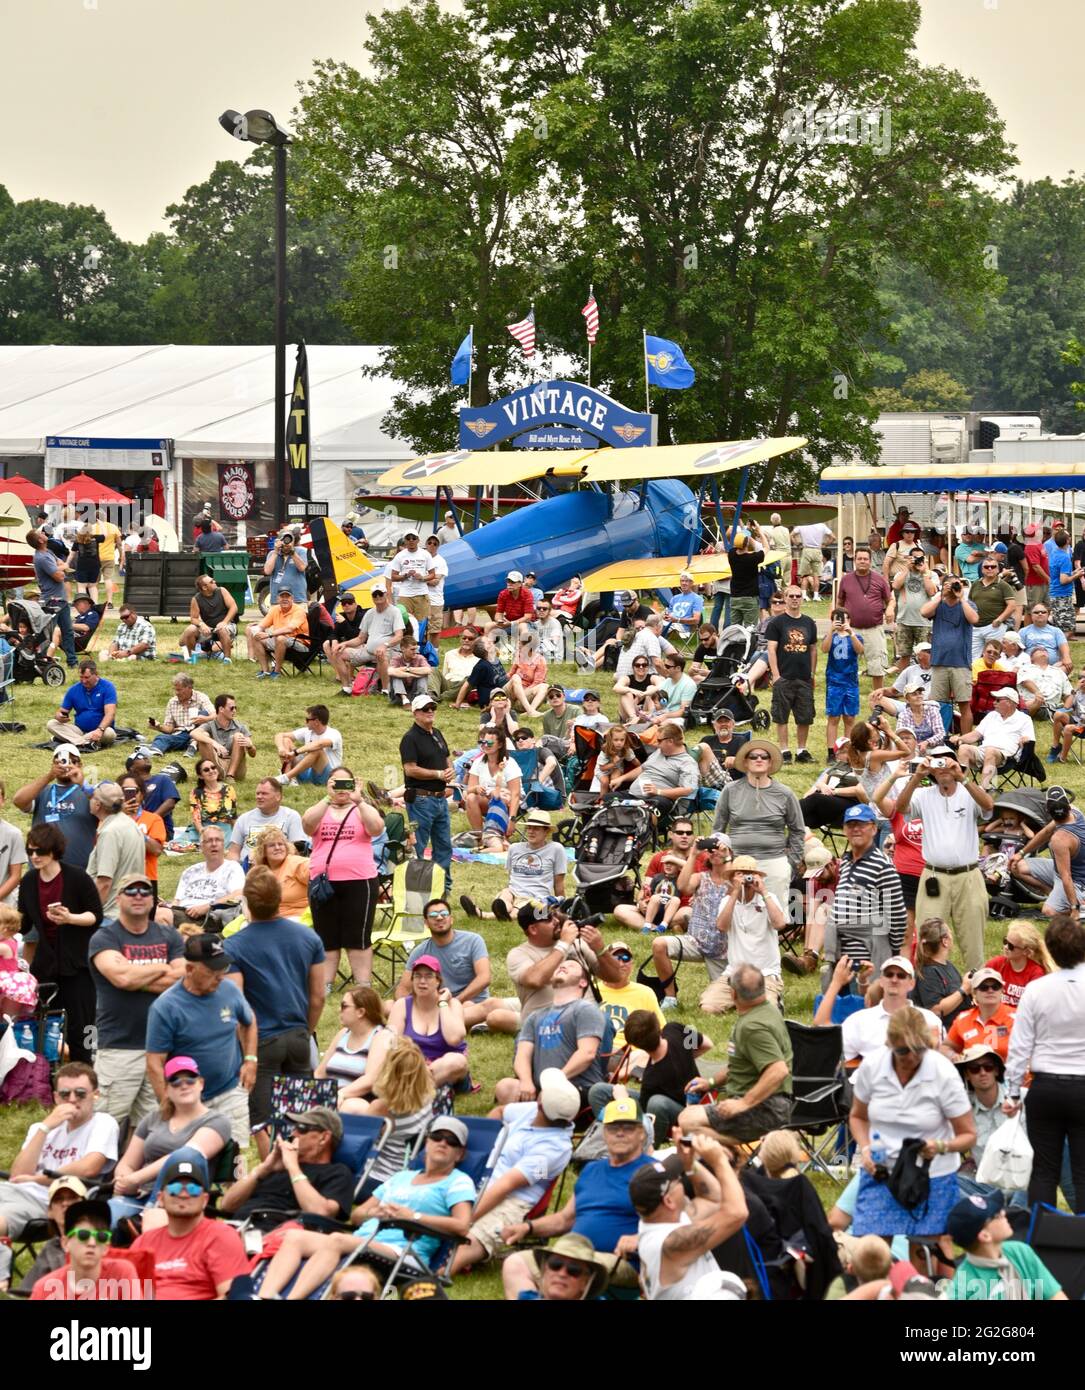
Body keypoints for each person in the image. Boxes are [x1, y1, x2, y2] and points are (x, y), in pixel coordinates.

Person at [254, 1116, 476, 1300]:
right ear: (427, 1142)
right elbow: (358, 1215)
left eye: (452, 1141)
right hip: (365, 1240)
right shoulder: (401, 1177)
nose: (443, 1143)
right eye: (437, 1137)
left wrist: (413, 1216)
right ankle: (263, 1297)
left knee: (337, 1240)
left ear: (460, 1154)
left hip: (404, 1251)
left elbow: (461, 1226)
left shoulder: (457, 1181)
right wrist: (376, 1212)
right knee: (294, 1236)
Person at [501, 1094, 654, 1297]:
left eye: (628, 1128)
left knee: (576, 1267)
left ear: (642, 1134)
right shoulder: (591, 1170)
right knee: (516, 1263)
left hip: (622, 1262)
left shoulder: (652, 1174)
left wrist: (638, 1238)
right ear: (604, 1133)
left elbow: (674, 1226)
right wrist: (527, 1227)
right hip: (573, 1255)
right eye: (613, 1128)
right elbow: (565, 1219)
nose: (620, 1133)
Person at [848, 1006, 975, 1239]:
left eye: (919, 1049)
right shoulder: (873, 1066)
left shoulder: (942, 1071)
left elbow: (968, 1135)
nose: (912, 1056)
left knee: (925, 1249)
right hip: (881, 1169)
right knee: (871, 1248)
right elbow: (857, 1116)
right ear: (890, 1044)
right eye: (903, 1050)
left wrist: (940, 1146)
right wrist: (865, 1148)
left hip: (931, 1174)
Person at [224, 866, 325, 1149]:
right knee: (299, 1120)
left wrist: (247, 1054)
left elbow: (237, 1006)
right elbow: (318, 996)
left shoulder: (233, 946)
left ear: (246, 901)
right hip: (298, 1038)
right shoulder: (308, 938)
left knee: (263, 1124)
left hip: (261, 1043)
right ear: (279, 897)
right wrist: (306, 1029)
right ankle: (298, 1174)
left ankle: (273, 1179)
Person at [450, 1069, 578, 1273]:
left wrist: (467, 1218)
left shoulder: (555, 1149)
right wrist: (485, 1147)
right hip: (477, 1179)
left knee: (467, 1243)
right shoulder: (533, 1111)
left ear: (542, 1104)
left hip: (511, 1200)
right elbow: (500, 1112)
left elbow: (506, 1186)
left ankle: (424, 1276)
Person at [88, 870, 185, 1123]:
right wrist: (162, 968)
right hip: (119, 1046)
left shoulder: (169, 936)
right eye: (131, 890)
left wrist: (136, 976)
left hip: (164, 1047)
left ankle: (132, 1165)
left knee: (154, 1128)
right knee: (105, 1125)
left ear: (153, 900)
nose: (138, 895)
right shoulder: (105, 937)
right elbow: (121, 978)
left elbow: (182, 979)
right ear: (118, 899)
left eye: (145, 891)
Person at [1002, 914, 1085, 1211]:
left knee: (1043, 1171)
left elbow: (1020, 1045)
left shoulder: (1038, 989)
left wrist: (1012, 1093)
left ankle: (1041, 1239)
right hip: (1081, 1086)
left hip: (1046, 1086)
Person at [145, 933, 258, 1150]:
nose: (219, 977)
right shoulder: (166, 1007)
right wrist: (169, 1103)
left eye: (222, 969)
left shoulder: (229, 990)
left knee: (235, 1164)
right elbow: (154, 1062)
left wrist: (251, 1059)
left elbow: (249, 1021)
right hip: (190, 1100)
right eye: (211, 971)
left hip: (230, 1092)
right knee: (193, 1166)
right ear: (189, 969)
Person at [893, 751, 994, 971]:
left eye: (946, 762)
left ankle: (976, 991)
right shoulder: (923, 794)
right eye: (936, 763)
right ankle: (929, 988)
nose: (942, 768)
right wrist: (917, 777)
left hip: (968, 875)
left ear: (956, 764)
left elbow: (988, 806)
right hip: (934, 875)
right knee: (928, 938)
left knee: (973, 940)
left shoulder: (969, 792)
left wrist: (963, 778)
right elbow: (900, 808)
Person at [0, 1062, 119, 1239]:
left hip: (55, 1202)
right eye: (65, 1094)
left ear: (95, 1095)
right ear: (56, 1097)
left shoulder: (103, 1123)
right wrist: (45, 1127)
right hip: (13, 1191)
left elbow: (89, 1167)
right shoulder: (42, 1128)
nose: (72, 1099)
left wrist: (37, 1179)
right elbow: (18, 1174)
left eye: (80, 1093)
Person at [109, 1056, 231, 1227]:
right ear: (166, 1089)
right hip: (137, 1195)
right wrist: (124, 1181)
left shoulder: (217, 1121)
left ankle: (151, 1212)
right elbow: (127, 1162)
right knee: (106, 1217)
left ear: (201, 1083)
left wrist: (135, 1179)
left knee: (186, 1155)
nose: (183, 1085)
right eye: (175, 1081)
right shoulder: (153, 1118)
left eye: (190, 1079)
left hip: (183, 1196)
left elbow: (184, 1155)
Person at [680, 963, 794, 1140]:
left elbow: (778, 1070)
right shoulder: (767, 1011)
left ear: (732, 994)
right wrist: (710, 1082)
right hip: (767, 1103)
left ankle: (736, 1156)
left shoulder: (753, 1027)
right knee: (691, 1115)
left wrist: (743, 1103)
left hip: (766, 1109)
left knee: (687, 1120)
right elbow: (738, 1064)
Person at [20, 823, 101, 1064]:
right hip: (46, 964)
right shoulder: (29, 880)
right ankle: (44, 1077)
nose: (34, 856)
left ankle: (84, 1076)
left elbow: (95, 917)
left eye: (40, 851)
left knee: (81, 1027)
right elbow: (23, 923)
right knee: (42, 1023)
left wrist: (70, 918)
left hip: (77, 964)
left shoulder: (77, 877)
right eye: (30, 851)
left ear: (54, 851)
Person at [631, 1136, 748, 1300]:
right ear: (669, 1201)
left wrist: (689, 1164)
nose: (682, 1183)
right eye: (678, 1181)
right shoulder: (670, 1243)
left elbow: (713, 1199)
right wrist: (719, 1161)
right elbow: (737, 1213)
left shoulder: (663, 1221)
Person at [302, 766, 383, 988]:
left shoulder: (360, 809)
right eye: (336, 783)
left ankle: (362, 983)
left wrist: (360, 801)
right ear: (328, 784)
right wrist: (327, 799)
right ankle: (326, 983)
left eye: (346, 784)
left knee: (358, 935)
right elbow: (308, 825)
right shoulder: (320, 808)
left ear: (354, 784)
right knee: (326, 935)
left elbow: (377, 829)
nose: (341, 789)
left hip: (360, 880)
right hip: (323, 882)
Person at [129, 1153, 249, 1300]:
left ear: (205, 1200)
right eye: (175, 1188)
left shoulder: (221, 1236)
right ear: (160, 1198)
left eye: (193, 1189)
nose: (184, 1195)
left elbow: (235, 1296)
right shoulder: (143, 1242)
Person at [495, 956, 605, 1108]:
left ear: (583, 982)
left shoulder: (585, 1009)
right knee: (505, 1087)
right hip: (540, 1089)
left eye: (571, 966)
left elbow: (587, 1053)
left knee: (552, 1096)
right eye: (561, 965)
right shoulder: (536, 1016)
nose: (563, 966)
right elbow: (522, 1055)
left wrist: (556, 1081)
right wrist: (526, 1081)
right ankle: (521, 1126)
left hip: (576, 1087)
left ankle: (532, 1121)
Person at [711, 737, 804, 907]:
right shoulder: (730, 790)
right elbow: (718, 829)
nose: (759, 759)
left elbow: (797, 830)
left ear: (770, 763)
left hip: (774, 860)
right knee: (738, 913)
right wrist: (724, 861)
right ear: (745, 762)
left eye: (764, 756)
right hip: (738, 860)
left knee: (774, 913)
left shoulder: (785, 793)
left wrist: (791, 863)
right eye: (753, 756)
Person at [649, 834, 733, 1010]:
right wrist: (694, 854)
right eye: (712, 849)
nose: (715, 852)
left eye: (720, 848)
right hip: (694, 941)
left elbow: (736, 884)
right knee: (659, 944)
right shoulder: (701, 877)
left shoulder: (734, 880)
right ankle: (670, 998)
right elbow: (682, 887)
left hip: (723, 950)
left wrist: (727, 857)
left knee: (724, 1002)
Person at [506, 900, 621, 1020]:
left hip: (587, 1018)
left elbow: (615, 977)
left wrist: (600, 950)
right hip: (547, 1026)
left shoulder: (577, 944)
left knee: (606, 1022)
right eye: (549, 919)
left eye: (554, 915)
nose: (556, 921)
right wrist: (564, 944)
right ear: (533, 929)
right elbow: (535, 979)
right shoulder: (519, 954)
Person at [702, 855, 787, 1014]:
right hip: (734, 973)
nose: (746, 879)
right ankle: (741, 999)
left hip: (765, 973)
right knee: (708, 1007)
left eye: (750, 874)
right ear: (733, 878)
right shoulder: (727, 901)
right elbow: (721, 926)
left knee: (765, 1012)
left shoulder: (768, 898)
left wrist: (763, 892)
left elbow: (780, 924)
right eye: (740, 874)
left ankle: (763, 999)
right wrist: (735, 892)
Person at [945, 1191, 1066, 1301]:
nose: (1003, 1212)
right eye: (997, 1215)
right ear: (985, 1236)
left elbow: (1056, 1296)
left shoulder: (1021, 1252)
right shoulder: (964, 1286)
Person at [29, 1197, 142, 1301]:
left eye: (101, 1237)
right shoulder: (44, 1289)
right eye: (83, 1235)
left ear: (106, 1246)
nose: (92, 1243)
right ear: (65, 1243)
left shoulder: (122, 1272)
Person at [399, 693, 454, 889]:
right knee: (418, 845)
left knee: (444, 846)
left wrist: (450, 770)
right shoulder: (410, 738)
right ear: (415, 713)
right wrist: (439, 774)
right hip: (421, 800)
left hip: (439, 799)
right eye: (425, 709)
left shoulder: (437, 733)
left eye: (433, 708)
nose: (430, 711)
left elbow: (446, 757)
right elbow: (410, 769)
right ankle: (418, 890)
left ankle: (442, 889)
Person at [387, 953, 468, 1087]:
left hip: (446, 1070)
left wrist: (443, 1003)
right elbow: (391, 1044)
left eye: (428, 976)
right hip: (412, 1067)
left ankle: (416, 1088)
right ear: (412, 980)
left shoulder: (453, 1005)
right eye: (417, 976)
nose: (422, 981)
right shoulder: (402, 1005)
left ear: (438, 981)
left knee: (457, 1061)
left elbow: (454, 1039)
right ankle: (421, 1087)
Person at [1010, 783, 1085, 916]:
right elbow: (1045, 832)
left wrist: (1074, 908)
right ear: (1068, 805)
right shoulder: (1075, 811)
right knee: (1017, 866)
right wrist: (1021, 853)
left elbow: (1066, 876)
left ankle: (1081, 907)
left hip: (1076, 881)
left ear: (1047, 811)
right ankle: (1052, 892)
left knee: (1048, 911)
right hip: (1059, 870)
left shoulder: (1060, 840)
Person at [765, 584, 818, 761]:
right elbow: (771, 650)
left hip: (803, 677)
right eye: (791, 596)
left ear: (802, 599)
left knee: (805, 716)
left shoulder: (809, 622)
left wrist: (812, 673)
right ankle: (784, 752)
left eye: (798, 596)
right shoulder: (776, 623)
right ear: (785, 598)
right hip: (784, 677)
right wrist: (776, 675)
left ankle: (802, 751)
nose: (795, 599)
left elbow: (813, 650)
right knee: (781, 716)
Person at [157, 825, 245, 929]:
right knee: (151, 911)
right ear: (202, 847)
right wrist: (167, 905)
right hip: (183, 912)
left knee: (161, 915)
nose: (214, 844)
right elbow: (178, 901)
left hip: (210, 917)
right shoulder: (191, 871)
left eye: (218, 840)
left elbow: (238, 894)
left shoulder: (232, 867)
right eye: (208, 841)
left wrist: (207, 907)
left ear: (223, 844)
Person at [922, 575, 978, 735]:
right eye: (948, 584)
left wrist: (961, 598)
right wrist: (941, 595)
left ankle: (965, 740)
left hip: (961, 663)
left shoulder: (968, 604)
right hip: (940, 662)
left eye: (955, 584)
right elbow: (924, 612)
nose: (952, 588)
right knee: (937, 704)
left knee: (964, 704)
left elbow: (974, 619)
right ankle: (939, 736)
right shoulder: (938, 604)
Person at [952, 686, 1034, 790]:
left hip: (1007, 757)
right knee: (963, 748)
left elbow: (1029, 739)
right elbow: (975, 735)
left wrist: (1025, 739)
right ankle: (961, 788)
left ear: (1009, 702)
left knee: (990, 751)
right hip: (983, 751)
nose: (994, 703)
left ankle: (983, 789)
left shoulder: (1024, 719)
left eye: (998, 700)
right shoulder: (991, 716)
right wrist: (960, 739)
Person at [315, 985, 390, 1098]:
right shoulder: (343, 1033)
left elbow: (371, 1079)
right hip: (331, 1097)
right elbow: (320, 1073)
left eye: (344, 1006)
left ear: (361, 1012)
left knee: (350, 1106)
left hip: (360, 1102)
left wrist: (340, 1094)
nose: (339, 1009)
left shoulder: (380, 1036)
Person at [330, 585, 404, 696]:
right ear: (372, 597)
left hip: (389, 651)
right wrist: (344, 644)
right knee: (338, 653)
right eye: (375, 594)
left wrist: (385, 645)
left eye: (380, 594)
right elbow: (361, 638)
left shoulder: (395, 612)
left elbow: (399, 636)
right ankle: (346, 688)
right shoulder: (369, 613)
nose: (378, 597)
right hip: (367, 651)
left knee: (381, 653)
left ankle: (385, 690)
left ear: (386, 594)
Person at [837, 545, 892, 692]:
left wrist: (890, 609)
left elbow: (890, 600)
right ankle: (847, 691)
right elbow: (840, 603)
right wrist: (838, 621)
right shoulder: (846, 580)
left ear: (870, 560)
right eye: (859, 558)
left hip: (874, 628)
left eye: (865, 559)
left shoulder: (880, 580)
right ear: (855, 560)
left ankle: (878, 695)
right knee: (846, 662)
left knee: (877, 664)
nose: (862, 561)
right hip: (851, 629)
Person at [626, 721, 699, 825]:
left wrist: (658, 791)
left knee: (650, 808)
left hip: (661, 799)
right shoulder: (659, 752)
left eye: (659, 741)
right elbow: (643, 768)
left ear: (670, 741)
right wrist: (621, 779)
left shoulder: (687, 763)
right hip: (635, 796)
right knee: (608, 799)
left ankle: (636, 834)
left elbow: (688, 790)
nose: (656, 744)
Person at [594, 940, 664, 1045]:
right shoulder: (592, 990)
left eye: (626, 959)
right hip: (597, 1049)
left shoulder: (645, 993)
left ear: (632, 964)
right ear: (605, 962)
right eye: (615, 958)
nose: (621, 963)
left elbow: (661, 1030)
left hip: (632, 1054)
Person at [463, 724, 521, 848]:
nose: (485, 745)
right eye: (482, 742)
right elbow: (469, 789)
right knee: (471, 797)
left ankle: (498, 837)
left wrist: (512, 819)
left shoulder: (509, 763)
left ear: (500, 745)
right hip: (487, 799)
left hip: (508, 802)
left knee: (500, 795)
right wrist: (477, 789)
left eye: (489, 743)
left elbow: (515, 795)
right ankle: (480, 836)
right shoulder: (478, 762)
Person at [26, 528, 76, 666]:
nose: (44, 534)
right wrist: (59, 568)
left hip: (61, 600)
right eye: (41, 534)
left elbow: (61, 564)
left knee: (68, 632)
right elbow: (60, 576)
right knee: (47, 634)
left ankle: (72, 661)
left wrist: (58, 567)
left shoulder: (48, 552)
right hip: (51, 602)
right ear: (40, 540)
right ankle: (40, 660)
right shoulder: (41, 558)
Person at [943, 966, 1015, 1062]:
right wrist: (954, 1056)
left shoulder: (1017, 1018)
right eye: (983, 987)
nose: (990, 990)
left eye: (995, 987)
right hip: (975, 1073)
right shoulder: (963, 1019)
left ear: (1002, 991)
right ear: (974, 993)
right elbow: (945, 1047)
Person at [228, 777, 306, 865]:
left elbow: (296, 851)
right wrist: (234, 869)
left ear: (278, 796)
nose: (259, 797)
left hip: (279, 868)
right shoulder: (244, 819)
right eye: (257, 793)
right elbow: (233, 852)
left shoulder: (291, 816)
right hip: (248, 868)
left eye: (264, 794)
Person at [46, 659, 117, 748]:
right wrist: (59, 716)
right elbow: (61, 712)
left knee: (110, 734)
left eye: (87, 677)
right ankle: (84, 743)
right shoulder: (73, 690)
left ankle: (69, 740)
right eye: (81, 677)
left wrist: (100, 730)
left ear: (96, 674)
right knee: (51, 724)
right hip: (79, 730)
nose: (83, 681)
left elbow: (110, 714)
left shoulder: (108, 687)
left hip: (102, 731)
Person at [984, 918, 1053, 1010]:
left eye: (1011, 946)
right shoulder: (995, 964)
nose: (1006, 947)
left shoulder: (1035, 973)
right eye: (1005, 941)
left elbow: (1033, 1009)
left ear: (1026, 951)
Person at [913, 918, 970, 1028]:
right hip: (943, 1034)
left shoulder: (948, 965)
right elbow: (936, 1010)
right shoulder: (928, 972)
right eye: (950, 934)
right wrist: (964, 990)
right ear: (945, 941)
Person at [190, 692, 256, 782]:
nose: (234, 711)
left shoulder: (240, 727)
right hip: (217, 766)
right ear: (221, 709)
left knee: (238, 736)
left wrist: (250, 746)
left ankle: (230, 775)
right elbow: (194, 733)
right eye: (231, 708)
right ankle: (215, 775)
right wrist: (215, 744)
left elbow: (253, 754)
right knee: (203, 737)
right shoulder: (210, 725)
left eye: (235, 708)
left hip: (237, 769)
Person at [821, 608, 863, 748]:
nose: (841, 622)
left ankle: (848, 748)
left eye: (845, 619)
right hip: (834, 682)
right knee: (833, 717)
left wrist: (851, 633)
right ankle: (831, 750)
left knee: (850, 717)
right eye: (837, 619)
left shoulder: (855, 636)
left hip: (851, 682)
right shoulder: (831, 636)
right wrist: (830, 631)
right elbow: (824, 649)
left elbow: (860, 650)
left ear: (849, 620)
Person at [273, 703, 343, 787]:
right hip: (309, 772)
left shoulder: (334, 734)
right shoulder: (307, 731)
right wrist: (281, 748)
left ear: (316, 721)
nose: (305, 722)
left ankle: (286, 777)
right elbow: (279, 735)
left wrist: (295, 752)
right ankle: (290, 781)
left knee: (317, 750)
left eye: (307, 719)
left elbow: (319, 744)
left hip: (328, 777)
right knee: (286, 740)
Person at [247, 587, 309, 679]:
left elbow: (290, 629)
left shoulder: (299, 611)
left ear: (292, 599)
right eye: (282, 596)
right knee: (256, 636)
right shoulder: (275, 609)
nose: (284, 599)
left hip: (300, 643)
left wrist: (269, 634)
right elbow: (262, 625)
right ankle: (265, 671)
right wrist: (255, 629)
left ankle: (277, 672)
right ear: (277, 599)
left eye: (287, 597)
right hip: (279, 640)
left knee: (280, 638)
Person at [249, 826, 310, 919]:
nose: (277, 848)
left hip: (297, 916)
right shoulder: (259, 871)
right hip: (267, 918)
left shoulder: (297, 863)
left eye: (280, 844)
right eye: (272, 845)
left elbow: (318, 883)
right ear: (263, 851)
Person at [968, 555, 1021, 659]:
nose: (990, 569)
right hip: (976, 627)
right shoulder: (975, 584)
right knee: (972, 658)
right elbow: (970, 604)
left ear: (998, 569)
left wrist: (999, 620)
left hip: (994, 627)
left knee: (994, 656)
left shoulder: (1003, 585)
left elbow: (1012, 605)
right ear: (982, 570)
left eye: (993, 566)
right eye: (986, 567)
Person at [149, 674, 214, 756]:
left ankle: (194, 743)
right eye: (175, 690)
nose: (176, 693)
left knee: (204, 713)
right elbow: (169, 729)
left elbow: (215, 715)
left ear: (189, 688)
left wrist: (205, 719)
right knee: (161, 737)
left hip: (199, 731)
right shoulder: (172, 702)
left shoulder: (201, 697)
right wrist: (158, 726)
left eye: (179, 690)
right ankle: (156, 750)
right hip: (182, 734)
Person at [390, 531, 437, 625]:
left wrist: (422, 578)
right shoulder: (400, 556)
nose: (411, 540)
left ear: (418, 540)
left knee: (422, 624)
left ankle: (421, 640)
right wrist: (405, 575)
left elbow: (433, 574)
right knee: (405, 623)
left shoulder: (425, 554)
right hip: (405, 595)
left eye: (414, 538)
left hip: (421, 594)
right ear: (405, 541)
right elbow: (393, 577)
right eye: (408, 538)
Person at [427, 625, 482, 702]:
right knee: (432, 670)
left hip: (466, 686)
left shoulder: (480, 658)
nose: (466, 640)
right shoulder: (449, 654)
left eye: (470, 639)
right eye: (464, 638)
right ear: (460, 639)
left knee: (470, 678)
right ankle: (433, 695)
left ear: (476, 641)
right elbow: (445, 674)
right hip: (449, 683)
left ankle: (440, 698)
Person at [504, 626, 549, 715]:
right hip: (510, 696)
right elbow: (510, 674)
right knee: (516, 677)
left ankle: (530, 710)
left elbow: (537, 683)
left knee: (545, 686)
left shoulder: (540, 661)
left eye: (520, 643)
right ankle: (531, 711)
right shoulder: (519, 656)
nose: (518, 645)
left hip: (523, 697)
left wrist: (521, 693)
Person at [189, 756, 237, 836]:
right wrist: (203, 833)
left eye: (213, 767)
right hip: (203, 829)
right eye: (206, 770)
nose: (211, 771)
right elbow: (196, 819)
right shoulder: (196, 793)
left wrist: (237, 834)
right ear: (200, 776)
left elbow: (233, 815)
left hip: (224, 829)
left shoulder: (229, 789)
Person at [1019, 601, 1071, 673]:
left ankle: (1048, 678)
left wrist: (1066, 658)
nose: (1040, 614)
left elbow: (1064, 646)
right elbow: (1019, 651)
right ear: (1031, 615)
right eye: (1036, 612)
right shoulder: (1023, 631)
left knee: (1066, 667)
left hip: (1053, 667)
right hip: (1030, 666)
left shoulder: (1056, 631)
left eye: (1043, 612)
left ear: (1048, 614)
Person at [485, 568, 536, 641]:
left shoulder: (527, 594)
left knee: (523, 627)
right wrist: (499, 621)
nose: (509, 583)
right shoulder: (503, 594)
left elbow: (528, 617)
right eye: (508, 581)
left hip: (525, 623)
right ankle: (488, 649)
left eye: (513, 582)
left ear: (520, 584)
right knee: (488, 625)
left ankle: (524, 650)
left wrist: (512, 623)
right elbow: (498, 613)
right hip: (508, 622)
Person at [263, 527, 309, 605]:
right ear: (279, 541)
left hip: (298, 599)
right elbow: (267, 571)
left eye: (289, 539)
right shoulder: (272, 554)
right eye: (284, 539)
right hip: (277, 599)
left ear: (293, 541)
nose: (287, 542)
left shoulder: (301, 551)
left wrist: (293, 553)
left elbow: (302, 568)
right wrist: (275, 552)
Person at [386, 633, 433, 707]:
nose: (415, 651)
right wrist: (412, 674)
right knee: (395, 675)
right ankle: (404, 700)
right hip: (397, 696)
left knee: (423, 675)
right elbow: (390, 671)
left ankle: (422, 699)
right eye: (412, 649)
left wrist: (407, 669)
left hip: (414, 693)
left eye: (416, 648)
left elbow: (428, 670)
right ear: (403, 649)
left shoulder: (420, 658)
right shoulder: (396, 659)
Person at [321, 591, 363, 671]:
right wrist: (334, 640)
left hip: (361, 644)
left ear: (355, 604)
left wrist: (344, 623)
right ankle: (339, 673)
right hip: (346, 643)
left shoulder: (361, 616)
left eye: (349, 602)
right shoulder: (341, 616)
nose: (346, 605)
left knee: (349, 645)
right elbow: (333, 633)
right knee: (326, 644)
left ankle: (349, 674)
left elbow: (356, 637)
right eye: (344, 603)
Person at [661, 571, 704, 639]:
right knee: (652, 624)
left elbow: (696, 620)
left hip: (684, 627)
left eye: (686, 581)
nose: (684, 583)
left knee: (657, 628)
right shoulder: (674, 598)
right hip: (670, 624)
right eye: (682, 581)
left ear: (691, 583)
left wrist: (677, 620)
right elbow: (669, 614)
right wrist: (665, 616)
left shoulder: (697, 599)